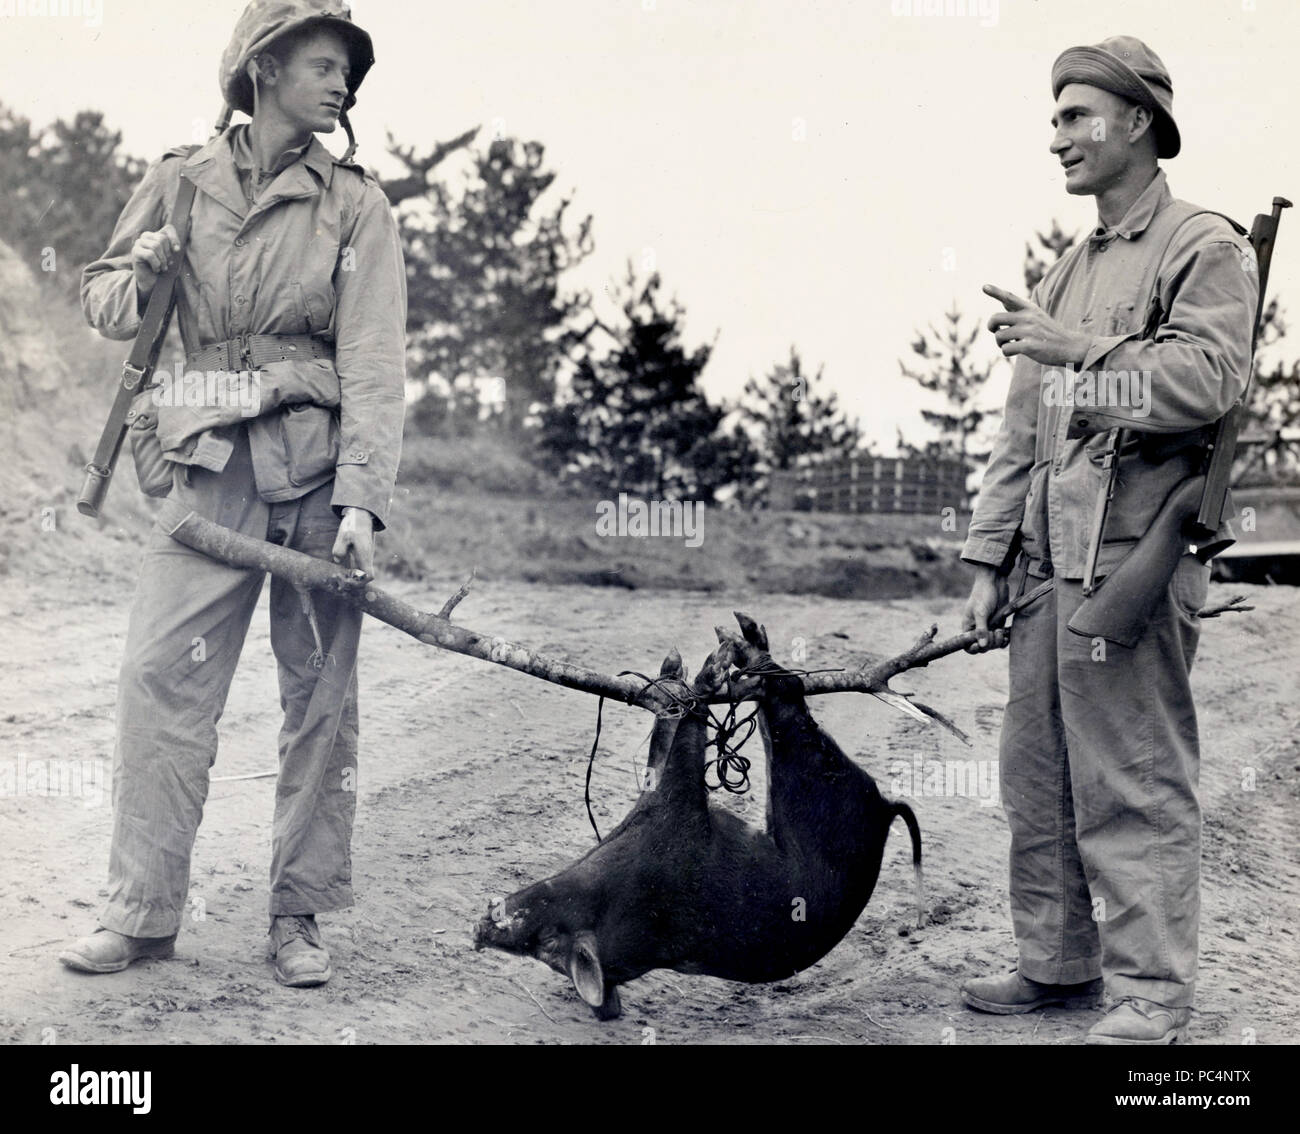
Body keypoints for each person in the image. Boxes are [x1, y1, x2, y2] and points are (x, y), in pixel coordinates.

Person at [60, 0, 407, 988]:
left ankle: (297, 917)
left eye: (348, 67)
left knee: (319, 706)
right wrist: (143, 266)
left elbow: (376, 365)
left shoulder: (357, 206)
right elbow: (101, 297)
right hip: (203, 470)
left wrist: (358, 505)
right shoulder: (180, 180)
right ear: (262, 68)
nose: (341, 82)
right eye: (321, 61)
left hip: (315, 477)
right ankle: (140, 913)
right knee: (158, 682)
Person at [958, 36, 1257, 1044]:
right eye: (1053, 120)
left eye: (1077, 117)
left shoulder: (1203, 246)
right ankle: (1055, 966)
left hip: (1130, 559)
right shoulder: (1065, 268)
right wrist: (984, 560)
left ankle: (1148, 996)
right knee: (1034, 776)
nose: (1058, 139)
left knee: (1130, 780)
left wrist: (1075, 349)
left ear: (1139, 122)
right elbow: (1021, 429)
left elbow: (1207, 385)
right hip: (1046, 564)